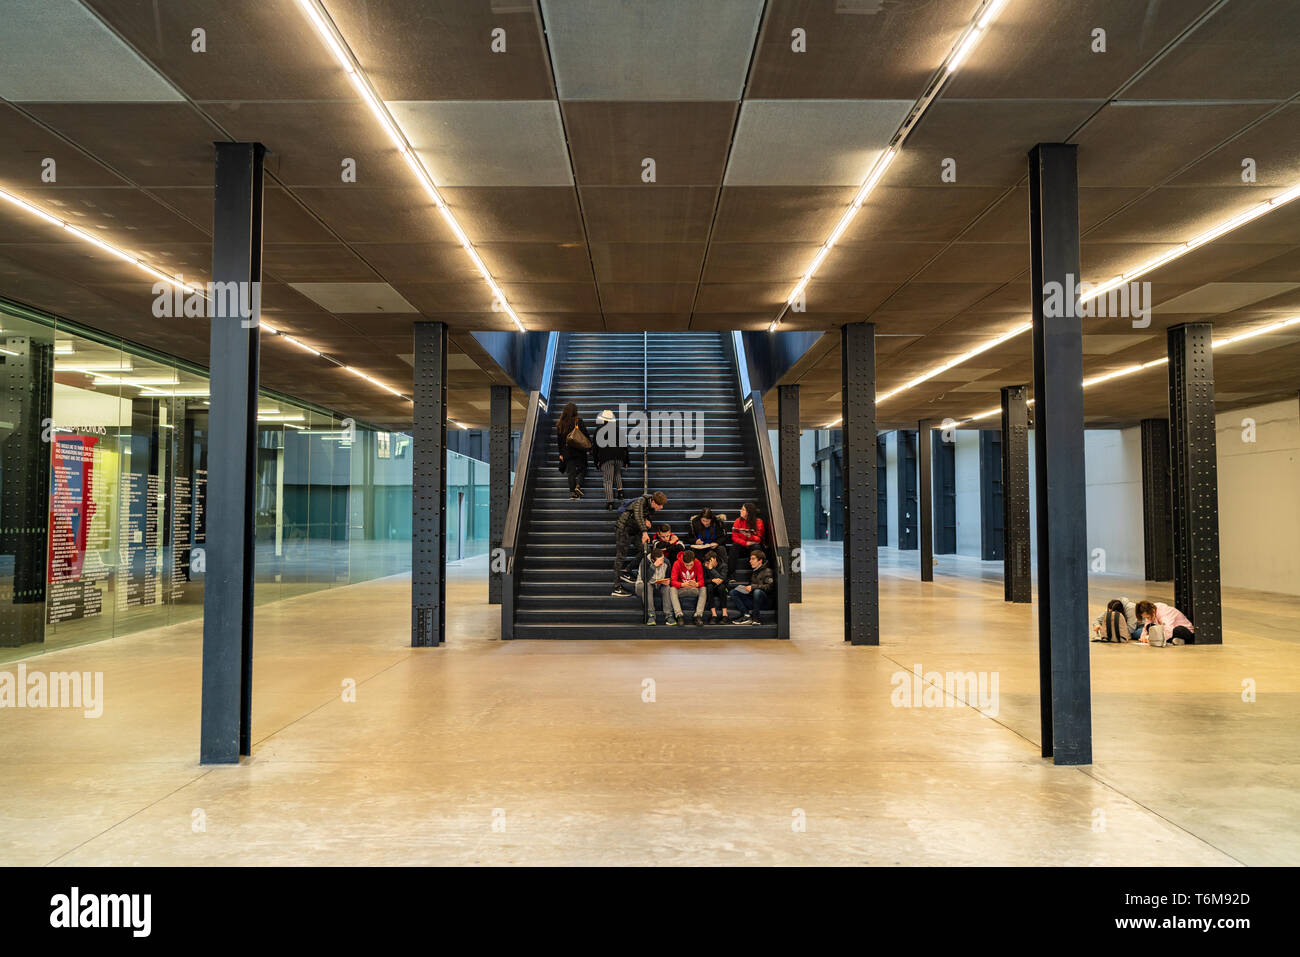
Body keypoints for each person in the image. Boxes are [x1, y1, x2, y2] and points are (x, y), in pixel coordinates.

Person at [611, 490, 667, 597]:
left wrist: (648, 522)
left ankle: (627, 570)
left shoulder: (652, 507)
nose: (661, 508)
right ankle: (616, 587)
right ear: (654, 502)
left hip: (634, 530)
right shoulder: (641, 501)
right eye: (660, 505)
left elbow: (645, 517)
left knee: (646, 550)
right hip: (623, 529)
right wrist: (645, 532)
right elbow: (638, 515)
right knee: (620, 557)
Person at [593, 409, 629, 510]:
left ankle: (610, 502)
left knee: (608, 480)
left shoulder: (598, 430)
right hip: (619, 457)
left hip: (606, 459)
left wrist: (596, 462)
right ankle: (620, 492)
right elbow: (625, 446)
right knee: (617, 473)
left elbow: (594, 448)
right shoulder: (618, 429)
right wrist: (626, 461)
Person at [555, 402, 592, 500]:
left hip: (567, 452)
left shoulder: (560, 424)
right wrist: (589, 446)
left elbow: (559, 440)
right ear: (575, 411)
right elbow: (585, 435)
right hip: (579, 450)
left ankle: (573, 493)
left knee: (571, 473)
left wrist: (560, 453)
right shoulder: (578, 421)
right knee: (583, 468)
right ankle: (578, 485)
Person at [729, 549, 774, 626]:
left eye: (753, 559)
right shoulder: (755, 571)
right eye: (750, 559)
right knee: (733, 592)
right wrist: (744, 588)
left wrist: (752, 587)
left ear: (760, 561)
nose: (750, 561)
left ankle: (756, 618)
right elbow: (752, 587)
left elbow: (769, 587)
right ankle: (746, 616)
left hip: (764, 603)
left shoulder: (768, 571)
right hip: (754, 600)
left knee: (757, 591)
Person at [634, 548, 672, 626]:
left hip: (658, 585)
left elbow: (668, 576)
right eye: (660, 560)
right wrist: (654, 566)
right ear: (653, 560)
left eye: (663, 558)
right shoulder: (645, 562)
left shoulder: (666, 562)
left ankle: (668, 615)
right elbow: (645, 579)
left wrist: (667, 581)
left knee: (667, 587)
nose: (662, 561)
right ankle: (651, 615)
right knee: (647, 585)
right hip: (642, 586)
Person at [671, 548, 707, 626]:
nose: (689, 567)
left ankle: (698, 615)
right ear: (683, 561)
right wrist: (682, 585)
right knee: (672, 589)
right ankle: (679, 615)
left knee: (703, 588)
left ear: (694, 561)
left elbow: (702, 581)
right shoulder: (677, 563)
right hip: (682, 589)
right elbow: (672, 581)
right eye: (686, 565)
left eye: (691, 565)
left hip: (694, 589)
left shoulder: (698, 563)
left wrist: (696, 584)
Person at [728, 502, 765, 571]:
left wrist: (749, 536)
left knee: (756, 547)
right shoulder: (737, 521)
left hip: (752, 548)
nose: (740, 511)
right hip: (742, 548)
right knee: (734, 546)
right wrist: (746, 543)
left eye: (743, 509)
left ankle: (756, 572)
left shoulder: (758, 522)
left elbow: (759, 539)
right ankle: (731, 574)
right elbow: (734, 537)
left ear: (748, 512)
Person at [702, 550, 730, 625]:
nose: (708, 564)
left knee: (721, 587)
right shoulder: (705, 565)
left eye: (709, 562)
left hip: (722, 588)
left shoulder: (723, 565)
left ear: (714, 559)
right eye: (707, 562)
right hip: (711, 589)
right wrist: (712, 580)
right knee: (709, 586)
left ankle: (725, 615)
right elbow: (703, 580)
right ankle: (714, 615)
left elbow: (722, 579)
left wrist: (711, 569)